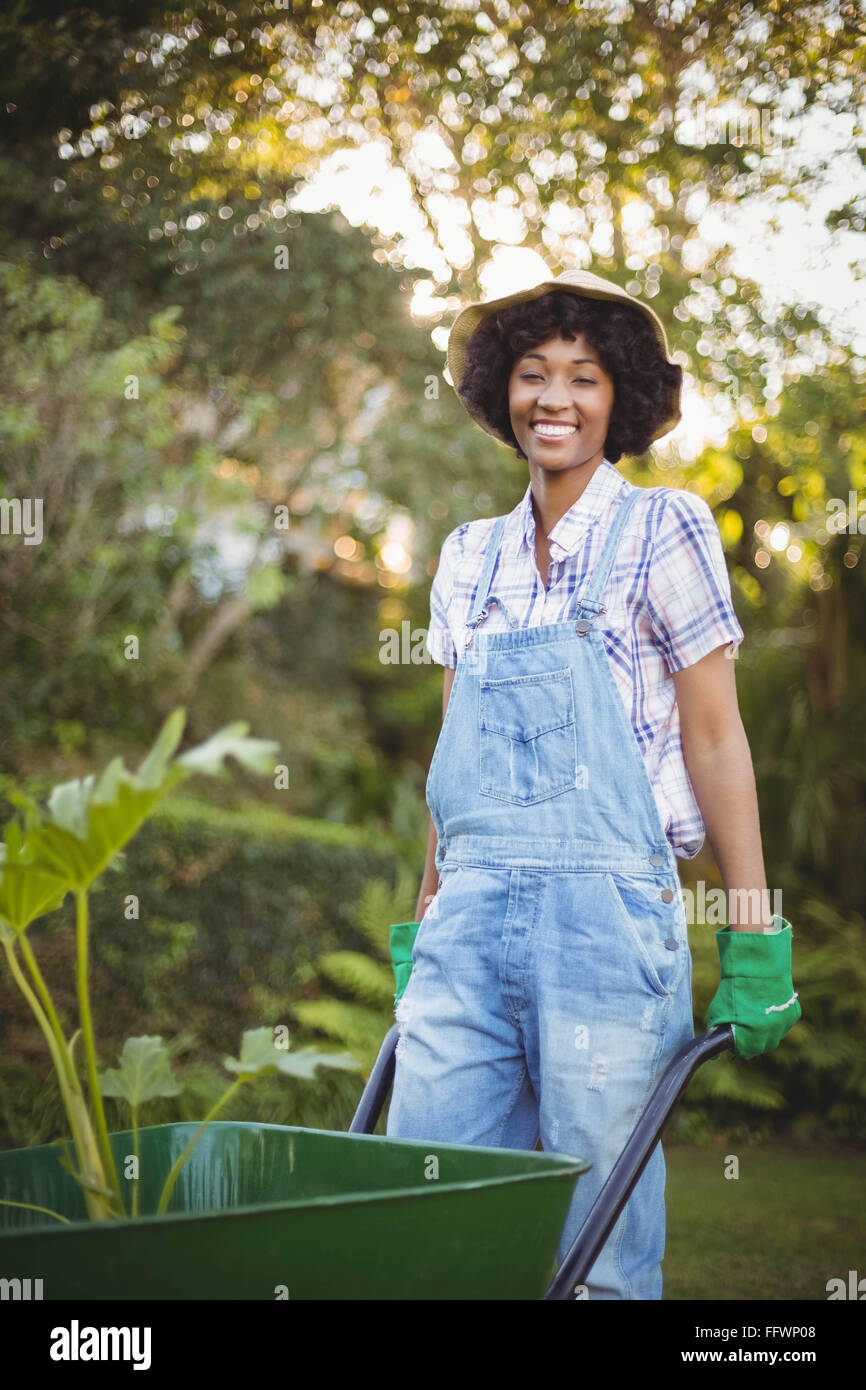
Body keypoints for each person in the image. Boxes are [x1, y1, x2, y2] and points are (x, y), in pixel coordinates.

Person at [386, 267, 801, 1300]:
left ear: (617, 397)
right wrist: (423, 914)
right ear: (502, 392)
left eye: (580, 376)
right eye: (532, 374)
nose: (553, 398)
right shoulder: (466, 556)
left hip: (606, 924)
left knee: (597, 1246)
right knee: (429, 1211)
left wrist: (752, 930)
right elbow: (456, 757)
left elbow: (714, 738)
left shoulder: (662, 529)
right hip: (469, 920)